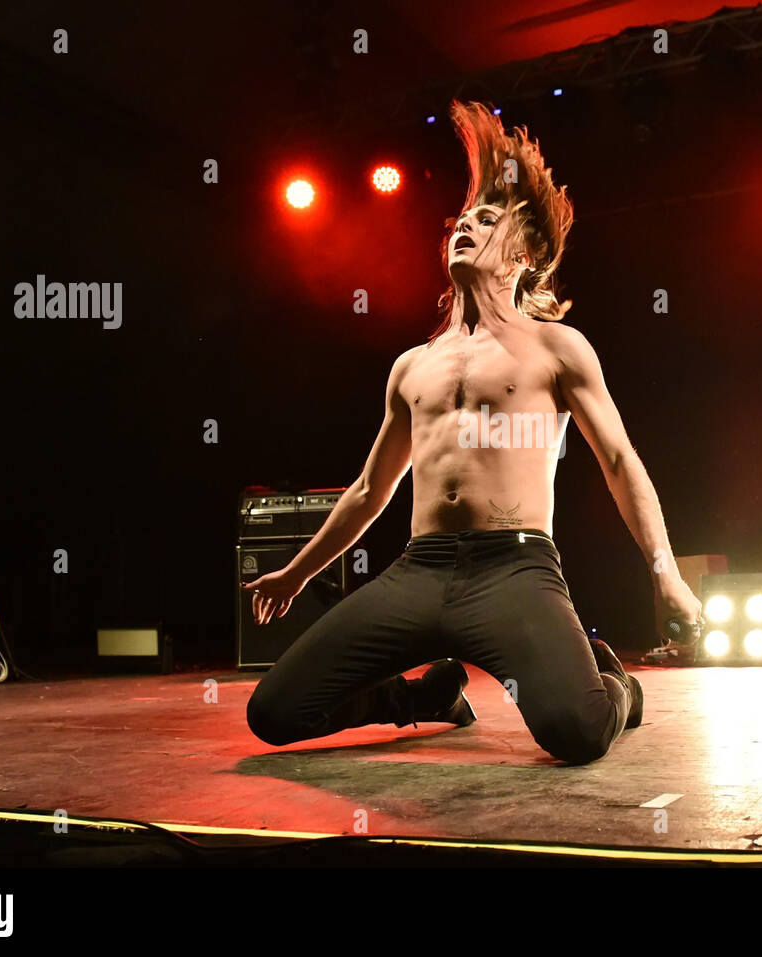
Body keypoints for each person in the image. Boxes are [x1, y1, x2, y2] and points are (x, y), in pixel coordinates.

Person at [241, 100, 702, 765]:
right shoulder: (412, 366)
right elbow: (371, 489)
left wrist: (666, 574)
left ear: (525, 254)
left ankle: (613, 683)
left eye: (487, 220)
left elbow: (621, 462)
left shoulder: (557, 348)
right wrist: (293, 573)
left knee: (576, 731)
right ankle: (424, 699)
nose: (465, 225)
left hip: (512, 569)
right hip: (418, 572)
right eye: (462, 219)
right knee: (275, 711)